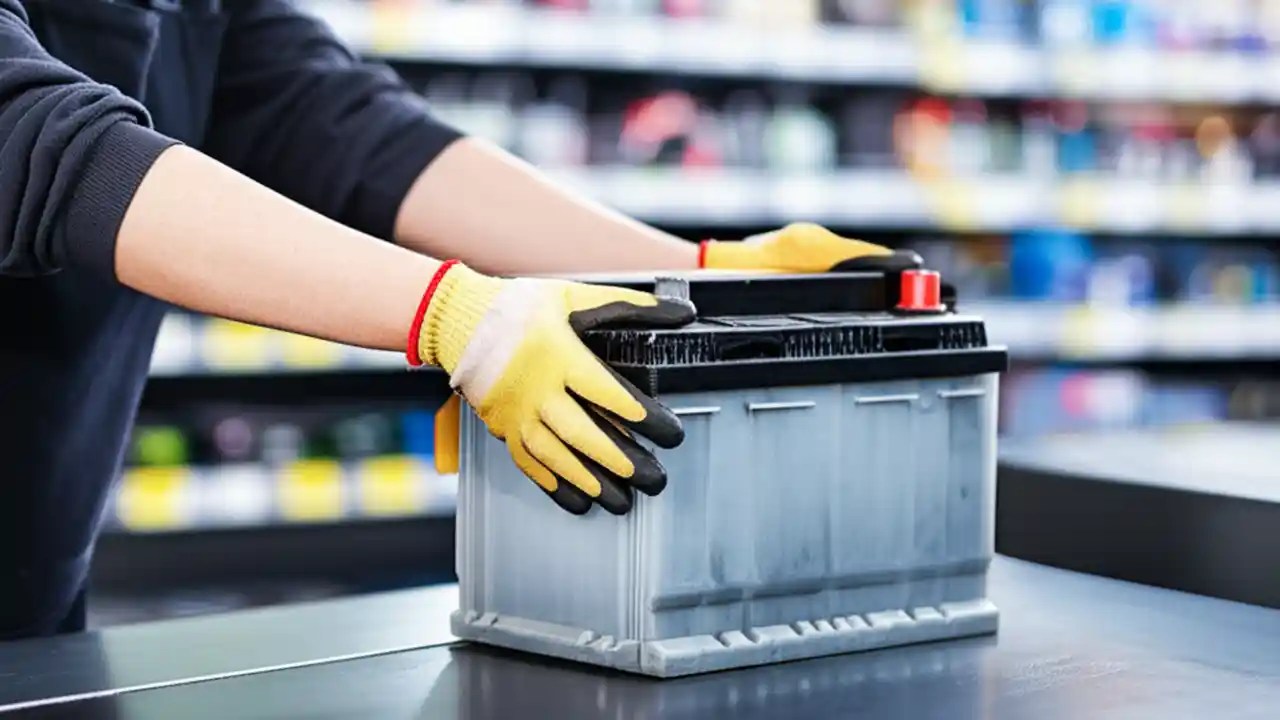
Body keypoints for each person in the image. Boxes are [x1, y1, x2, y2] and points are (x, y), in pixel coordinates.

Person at [0, 0, 897, 641]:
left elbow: (334, 123)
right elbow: (36, 139)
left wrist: (688, 272)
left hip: (35, 579)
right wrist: (461, 317)